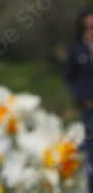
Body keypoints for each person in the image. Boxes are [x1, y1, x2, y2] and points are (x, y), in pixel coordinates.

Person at [64, 11, 93, 193]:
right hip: (89, 108)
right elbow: (69, 78)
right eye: (87, 27)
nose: (91, 30)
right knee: (89, 150)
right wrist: (82, 99)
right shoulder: (76, 50)